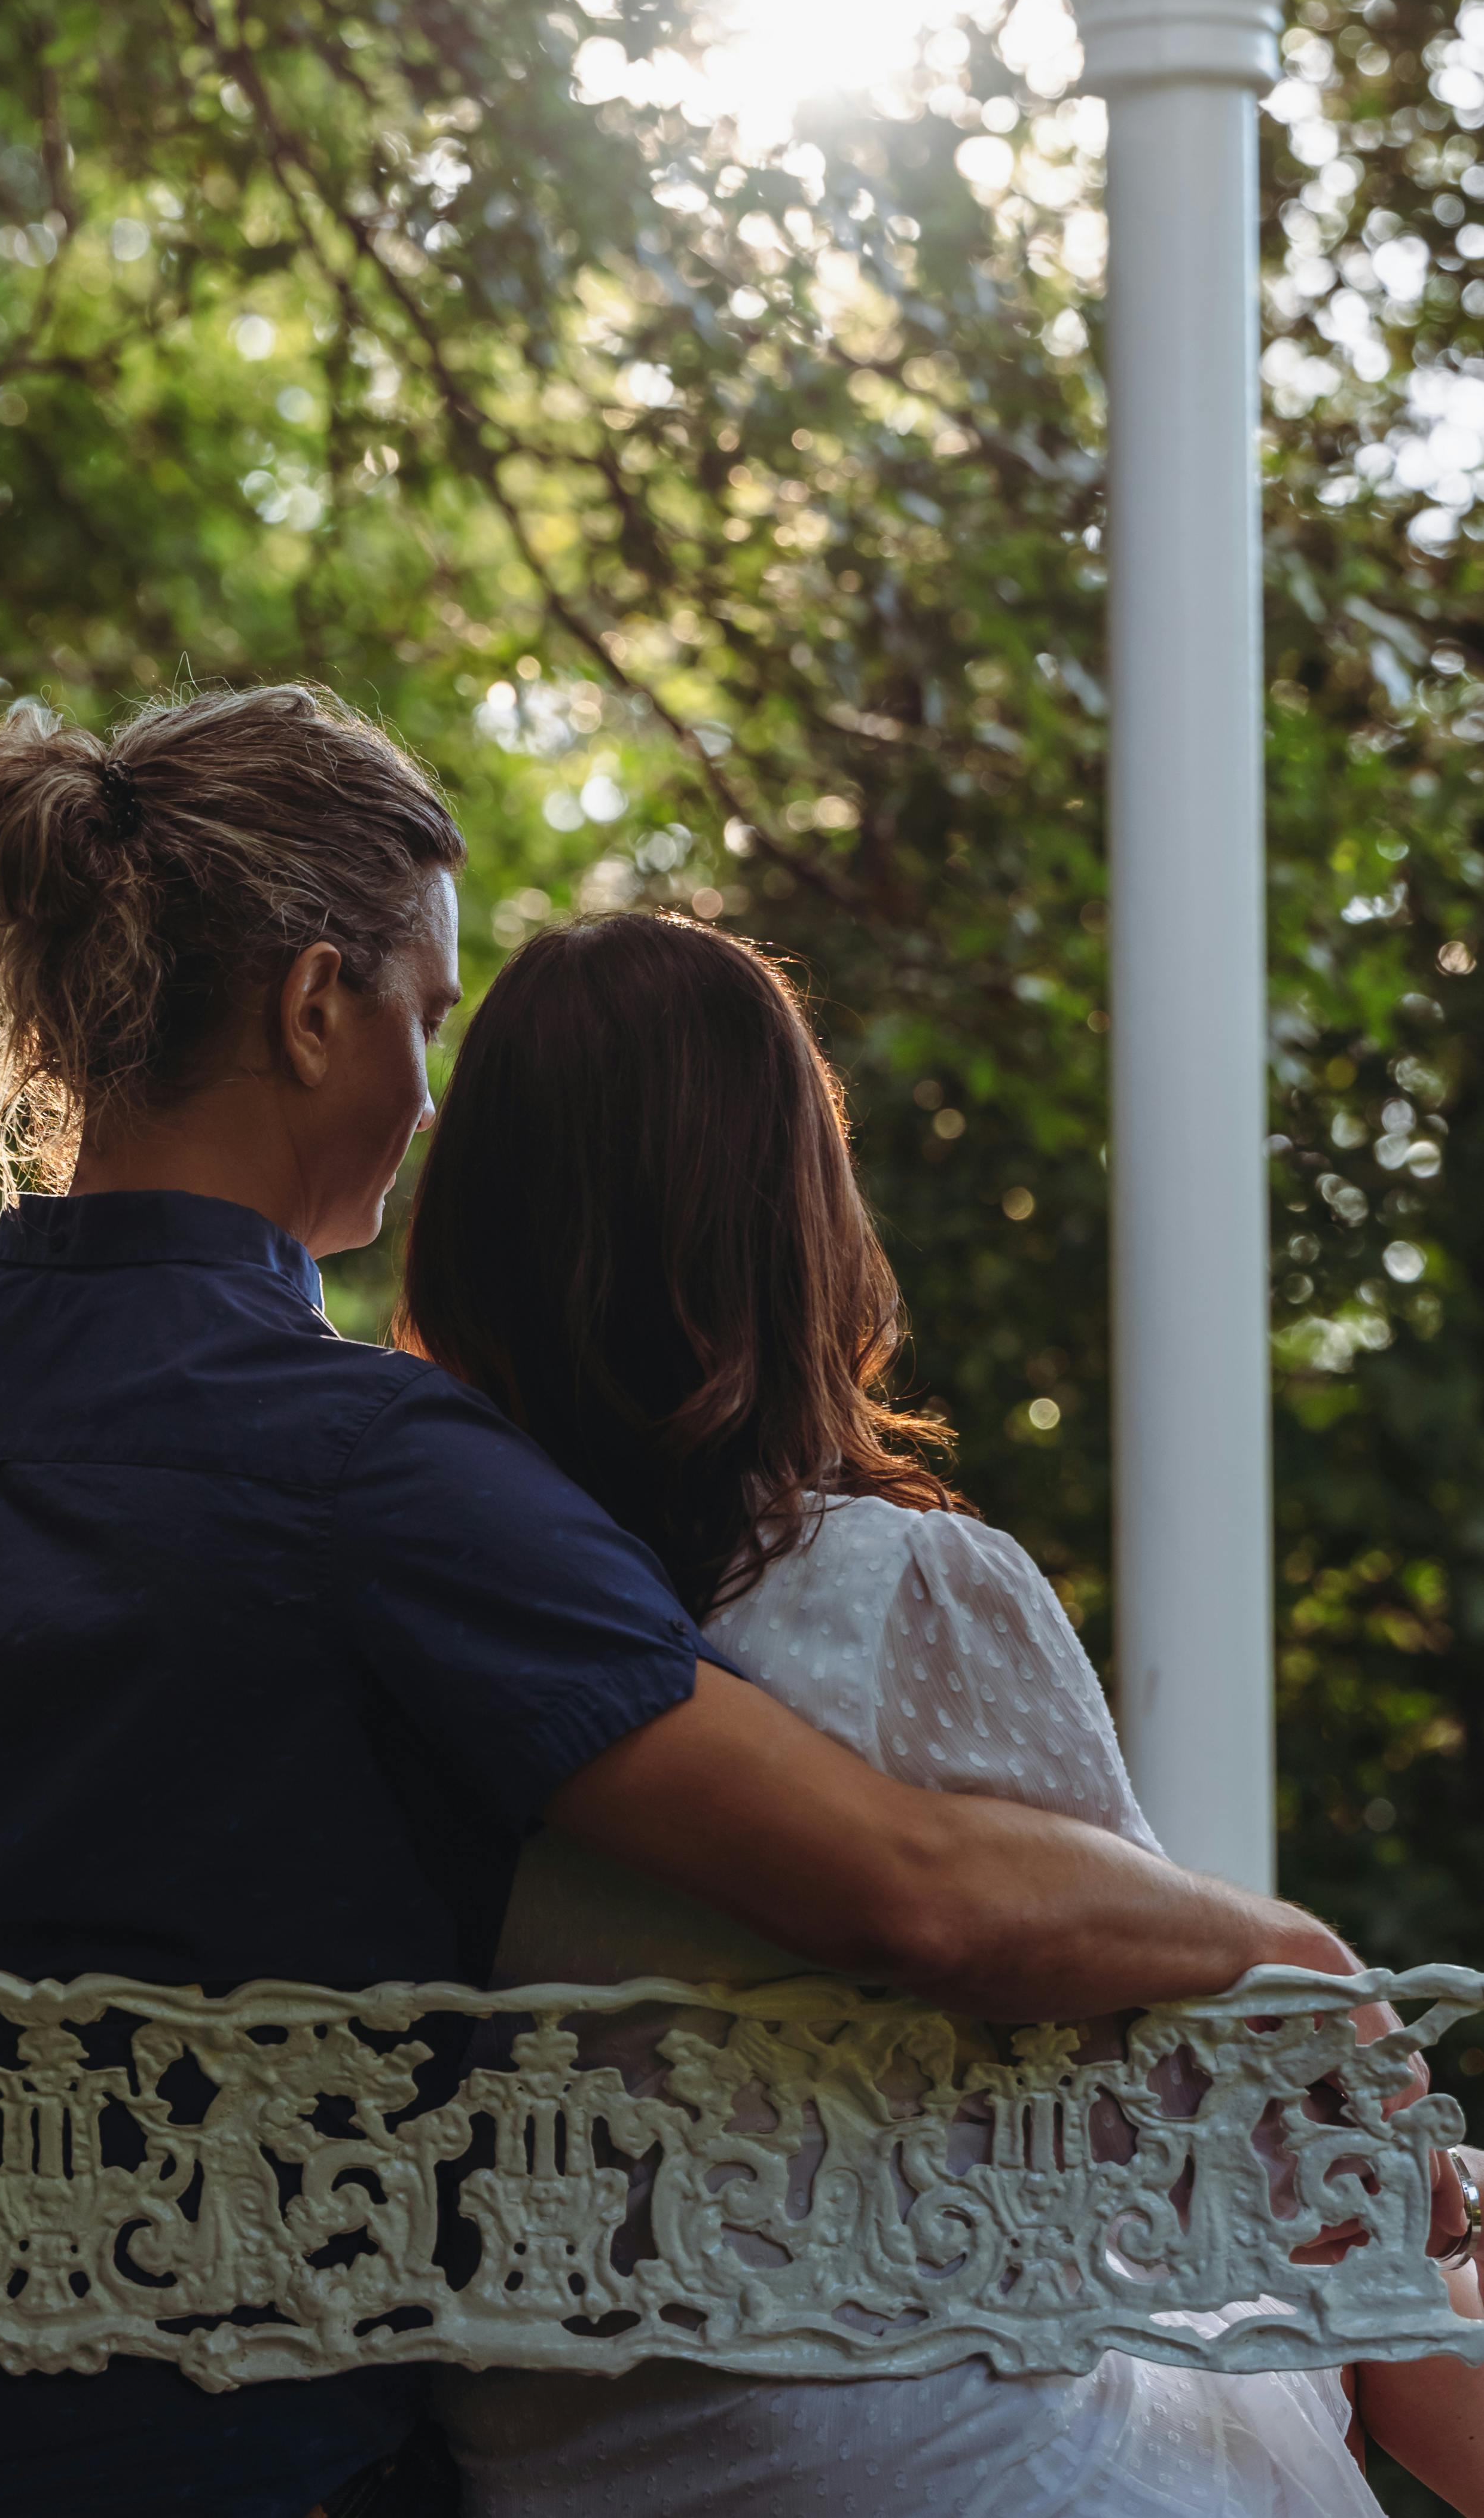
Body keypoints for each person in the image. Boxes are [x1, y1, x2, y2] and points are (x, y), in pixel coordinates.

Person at [0, 686, 1363, 2518]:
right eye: (422, 1017)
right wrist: (1282, 1947)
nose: (426, 1098)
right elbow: (911, 1889)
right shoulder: (366, 1464)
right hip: (228, 2451)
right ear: (313, 1003)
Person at [400, 907, 1484, 2518]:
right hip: (912, 2463)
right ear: (794, 1217)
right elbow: (1208, 2091)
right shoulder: (891, 1590)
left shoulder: (414, 1618)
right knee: (1380, 2224)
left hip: (570, 2464)